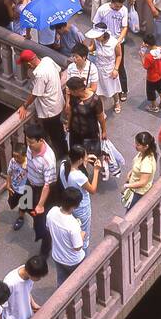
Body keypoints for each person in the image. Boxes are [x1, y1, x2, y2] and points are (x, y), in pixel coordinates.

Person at [17, 49, 67, 159]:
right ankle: (63, 151)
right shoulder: (47, 60)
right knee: (58, 130)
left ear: (29, 63)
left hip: (49, 111)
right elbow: (59, 72)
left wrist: (24, 106)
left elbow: (35, 93)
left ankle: (62, 156)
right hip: (58, 102)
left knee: (55, 135)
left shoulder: (40, 74)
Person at [24, 126, 58, 256]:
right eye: (27, 141)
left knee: (42, 222)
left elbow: (47, 185)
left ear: (40, 140)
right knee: (25, 205)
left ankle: (46, 246)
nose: (29, 145)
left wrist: (40, 205)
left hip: (41, 190)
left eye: (31, 142)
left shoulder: (48, 160)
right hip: (30, 183)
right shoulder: (30, 148)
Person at [93, 0, 131, 100]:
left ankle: (123, 90)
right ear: (112, 2)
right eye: (116, 6)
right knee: (102, 63)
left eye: (120, 6)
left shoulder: (124, 10)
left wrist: (119, 39)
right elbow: (95, 24)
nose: (118, 8)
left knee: (120, 66)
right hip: (104, 40)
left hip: (117, 41)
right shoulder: (102, 9)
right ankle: (104, 88)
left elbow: (125, 27)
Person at [59, 144, 100, 242]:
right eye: (85, 156)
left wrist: (84, 160)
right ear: (80, 160)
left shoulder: (63, 165)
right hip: (81, 207)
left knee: (74, 227)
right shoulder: (79, 176)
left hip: (70, 203)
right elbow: (93, 189)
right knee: (84, 233)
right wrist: (96, 171)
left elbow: (74, 165)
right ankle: (83, 253)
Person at [2, 254, 49, 319]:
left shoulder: (29, 271)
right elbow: (0, 307)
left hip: (26, 318)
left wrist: (33, 303)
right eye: (39, 277)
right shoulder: (10, 283)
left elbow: (27, 290)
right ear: (30, 273)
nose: (39, 279)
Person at [64, 75, 107, 158]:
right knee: (76, 155)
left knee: (92, 156)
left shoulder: (95, 100)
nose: (69, 92)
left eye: (70, 90)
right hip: (75, 132)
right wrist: (68, 124)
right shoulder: (73, 97)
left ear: (77, 90)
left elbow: (101, 117)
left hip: (90, 133)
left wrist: (104, 131)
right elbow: (70, 112)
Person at [122, 133, 158, 211]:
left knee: (130, 213)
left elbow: (143, 182)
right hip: (134, 187)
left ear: (146, 147)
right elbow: (137, 166)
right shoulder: (143, 153)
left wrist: (127, 185)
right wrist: (131, 172)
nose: (135, 146)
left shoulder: (147, 162)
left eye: (138, 145)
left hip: (138, 193)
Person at [140, 34, 161, 113]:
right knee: (159, 87)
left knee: (151, 92)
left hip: (152, 77)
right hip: (160, 73)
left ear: (147, 44)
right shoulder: (160, 49)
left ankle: (154, 106)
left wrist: (142, 57)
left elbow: (145, 66)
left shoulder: (149, 57)